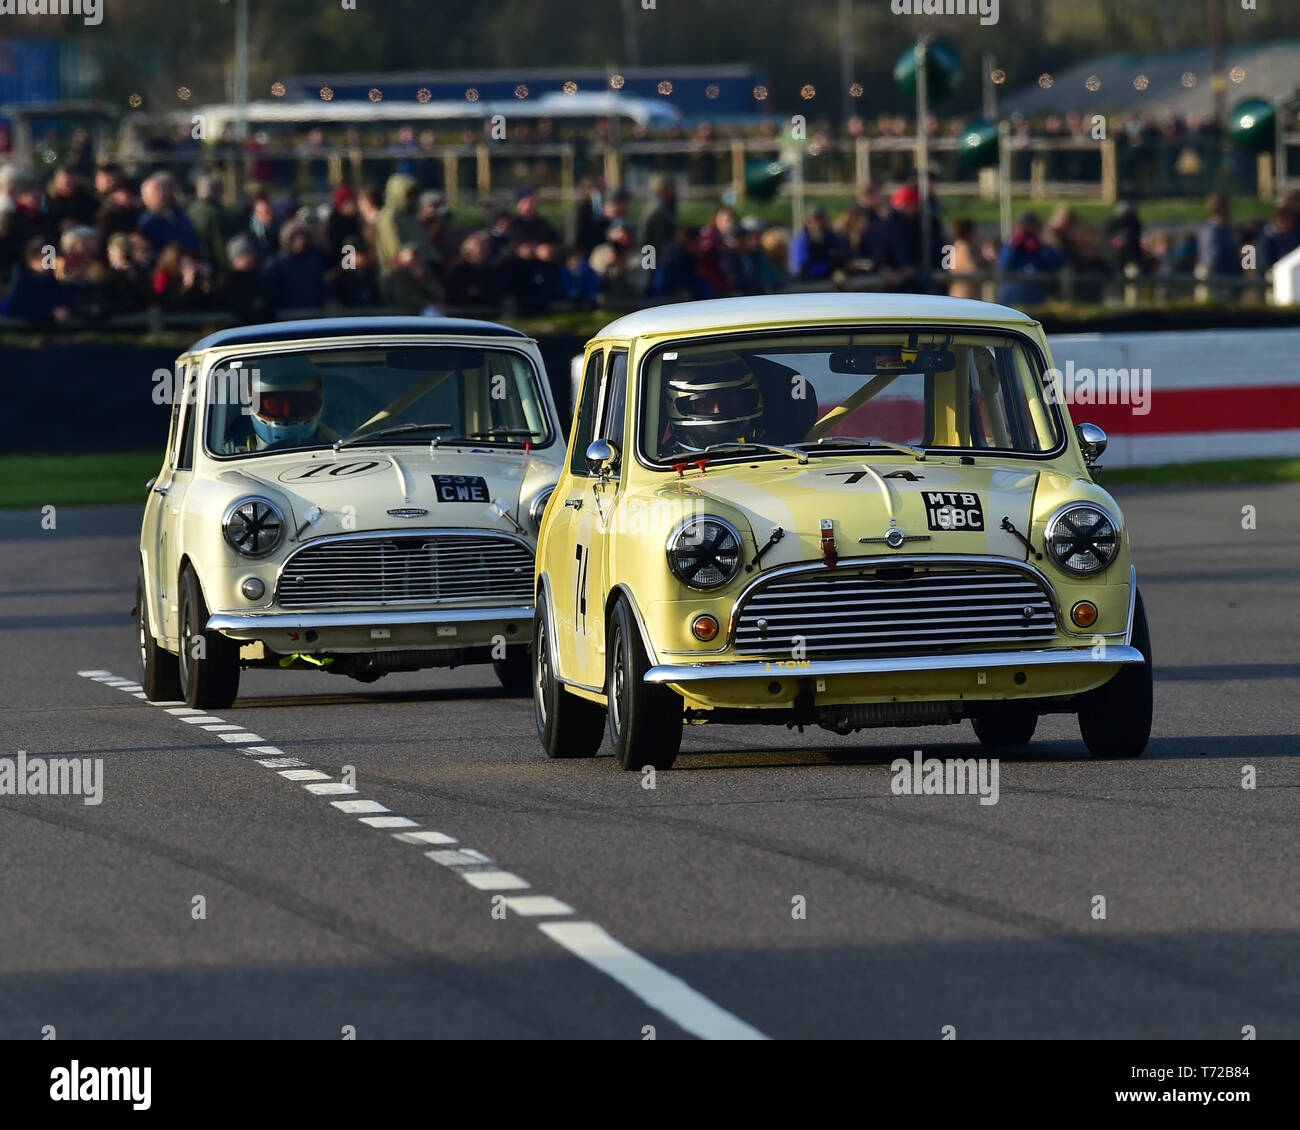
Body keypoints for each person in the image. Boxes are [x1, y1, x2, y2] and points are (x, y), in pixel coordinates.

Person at [661, 353, 766, 455]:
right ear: (681, 407)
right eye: (704, 405)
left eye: (729, 401)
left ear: (746, 401)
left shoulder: (777, 450)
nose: (718, 410)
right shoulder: (658, 463)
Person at [244, 366, 325, 452]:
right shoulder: (232, 452)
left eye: (297, 405)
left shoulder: (336, 443)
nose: (287, 413)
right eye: (275, 406)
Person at [996, 212, 1065, 307]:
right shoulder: (1009, 247)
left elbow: (1058, 262)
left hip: (1036, 302)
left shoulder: (1041, 249)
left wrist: (1040, 245)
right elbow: (1004, 265)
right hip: (1011, 303)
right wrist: (1015, 244)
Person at [4, 236, 71, 326]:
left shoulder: (52, 278)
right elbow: (18, 308)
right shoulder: (22, 278)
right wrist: (50, 314)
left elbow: (62, 300)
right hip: (25, 326)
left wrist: (63, 310)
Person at [136, 172, 199, 261]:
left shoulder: (180, 215)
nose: (162, 194)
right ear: (146, 198)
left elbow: (193, 240)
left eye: (162, 190)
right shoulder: (146, 223)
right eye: (156, 192)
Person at [790, 205, 850, 281]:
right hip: (809, 285)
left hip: (831, 284)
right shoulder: (802, 241)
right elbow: (802, 268)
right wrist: (828, 267)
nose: (817, 224)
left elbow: (843, 257)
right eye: (812, 220)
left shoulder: (832, 238)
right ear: (807, 222)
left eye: (820, 219)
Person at [1258, 205, 1299, 275]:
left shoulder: (1294, 234)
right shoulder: (1266, 241)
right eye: (1285, 221)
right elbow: (1265, 266)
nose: (1288, 224)